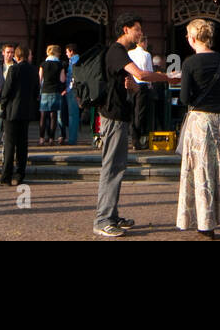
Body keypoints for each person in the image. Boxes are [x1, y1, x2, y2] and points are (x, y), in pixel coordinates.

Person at [93, 17, 175, 237]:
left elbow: (132, 83)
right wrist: (167, 78)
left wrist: (130, 87)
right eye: (137, 30)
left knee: (117, 167)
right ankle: (102, 219)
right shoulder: (117, 51)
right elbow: (140, 75)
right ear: (126, 29)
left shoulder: (121, 53)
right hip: (113, 117)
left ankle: (112, 214)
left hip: (119, 115)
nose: (140, 34)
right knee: (111, 168)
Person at [176, 18, 220, 237]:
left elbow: (184, 97)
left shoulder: (189, 63)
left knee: (201, 171)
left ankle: (206, 224)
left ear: (193, 38)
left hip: (200, 121)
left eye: (188, 36)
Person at [0, 46, 38, 186]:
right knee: (23, 144)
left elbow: (6, 90)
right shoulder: (34, 70)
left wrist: (3, 104)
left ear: (16, 56)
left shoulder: (13, 69)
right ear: (27, 55)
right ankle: (20, 174)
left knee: (9, 145)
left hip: (11, 112)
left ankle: (6, 177)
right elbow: (36, 92)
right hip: (26, 112)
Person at [128, 36, 154, 150]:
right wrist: (150, 84)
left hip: (131, 84)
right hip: (142, 85)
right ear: (143, 43)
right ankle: (136, 139)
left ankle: (132, 136)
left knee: (132, 110)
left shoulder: (129, 53)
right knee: (140, 112)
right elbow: (149, 71)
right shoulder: (146, 55)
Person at [39, 45, 65, 145]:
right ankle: (51, 138)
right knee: (53, 115)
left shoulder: (43, 64)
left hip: (45, 90)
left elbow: (40, 79)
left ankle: (41, 138)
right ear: (56, 53)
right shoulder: (60, 65)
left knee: (43, 116)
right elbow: (62, 79)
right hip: (55, 91)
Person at [63, 43, 81, 145]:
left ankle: (72, 139)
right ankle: (72, 138)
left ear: (71, 51)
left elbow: (74, 77)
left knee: (72, 115)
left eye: (67, 52)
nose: (66, 54)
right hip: (73, 89)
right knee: (73, 114)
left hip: (73, 90)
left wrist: (68, 88)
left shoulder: (74, 62)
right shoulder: (74, 61)